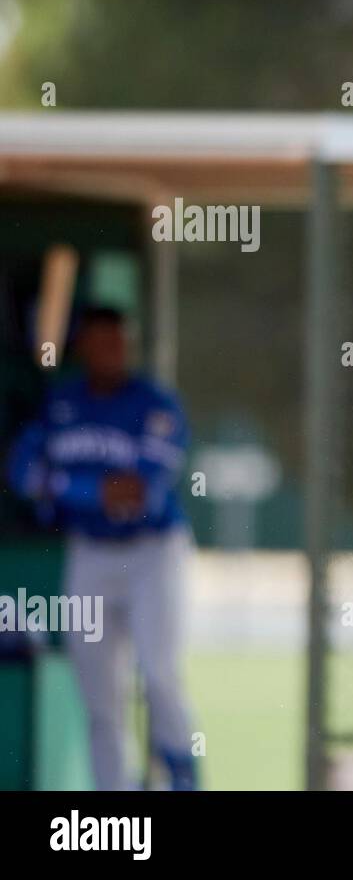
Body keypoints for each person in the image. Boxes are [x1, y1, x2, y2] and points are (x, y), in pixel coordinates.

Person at [6, 306, 197, 790]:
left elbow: (133, 493)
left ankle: (183, 780)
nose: (112, 350)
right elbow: (21, 473)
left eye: (119, 340)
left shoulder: (155, 405)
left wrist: (63, 485)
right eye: (101, 340)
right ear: (84, 346)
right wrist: (90, 489)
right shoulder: (62, 405)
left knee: (158, 675)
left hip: (152, 552)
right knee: (99, 699)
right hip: (90, 553)